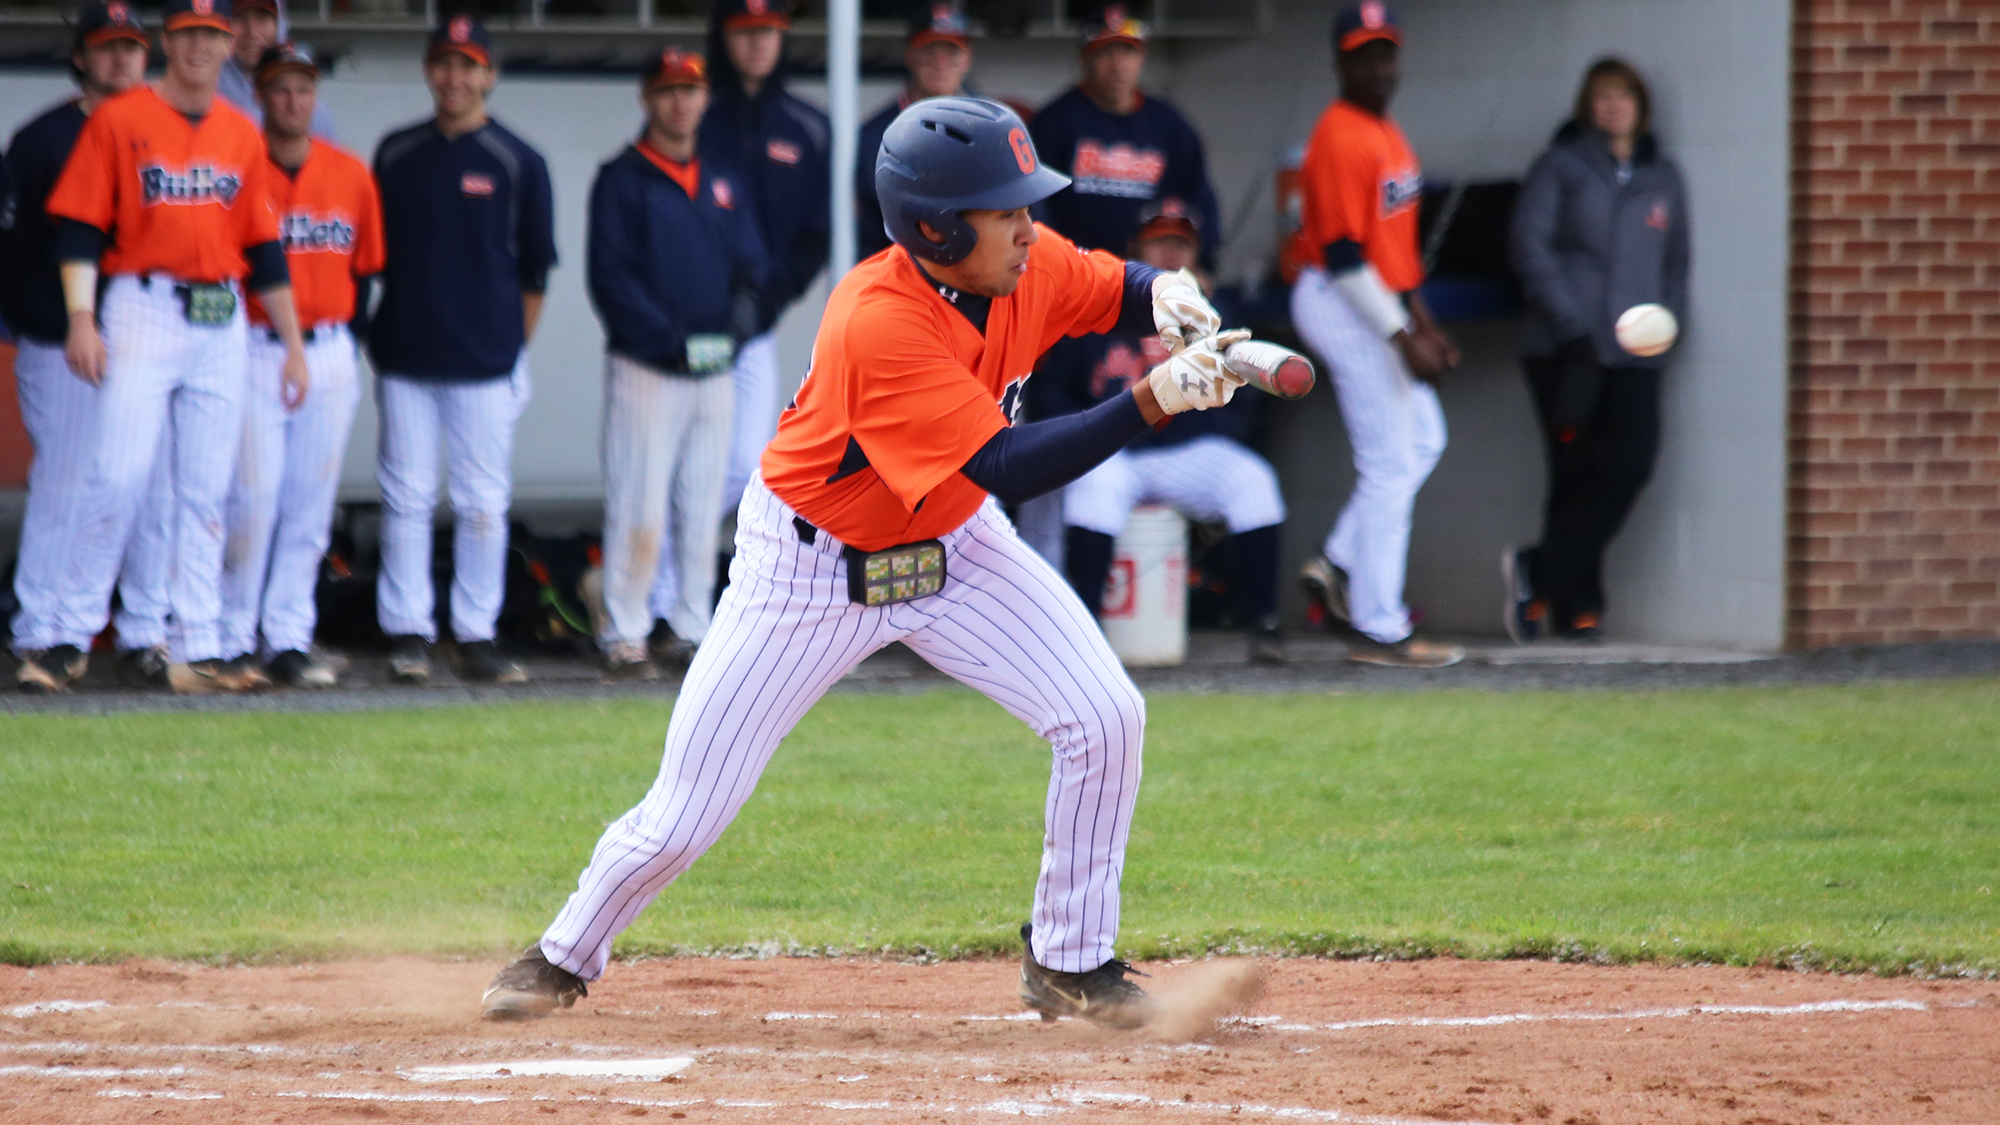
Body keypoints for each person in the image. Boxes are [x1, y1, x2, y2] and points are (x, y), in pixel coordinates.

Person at [478, 96, 1245, 1027]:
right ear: (934, 226)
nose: (1026, 225)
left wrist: (1159, 290)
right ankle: (560, 955)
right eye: (1004, 210)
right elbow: (1008, 462)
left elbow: (1107, 283)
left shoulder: (1024, 261)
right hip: (808, 572)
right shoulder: (877, 321)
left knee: (1105, 715)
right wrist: (1152, 399)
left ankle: (1070, 962)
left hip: (953, 543)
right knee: (688, 810)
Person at [45, 0, 313, 694]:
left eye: (213, 36)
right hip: (142, 305)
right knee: (117, 473)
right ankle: (66, 636)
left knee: (205, 488)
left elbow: (261, 244)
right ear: (168, 40)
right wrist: (82, 317)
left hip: (220, 315)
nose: (201, 47)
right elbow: (79, 229)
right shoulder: (119, 117)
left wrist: (291, 344)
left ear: (229, 48)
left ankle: (197, 643)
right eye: (190, 33)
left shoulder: (240, 131)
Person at [369, 16, 556, 686]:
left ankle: (475, 632)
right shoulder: (395, 153)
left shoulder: (518, 160)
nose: (455, 77)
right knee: (406, 497)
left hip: (485, 362)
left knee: (481, 502)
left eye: (469, 65)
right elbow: (372, 259)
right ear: (429, 71)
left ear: (490, 76)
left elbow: (536, 272)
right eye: (444, 63)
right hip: (405, 355)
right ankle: (408, 632)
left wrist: (510, 345)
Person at [2, 0, 178, 693]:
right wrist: (43, 322)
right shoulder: (44, 138)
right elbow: (11, 255)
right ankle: (40, 631)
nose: (120, 59)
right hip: (62, 337)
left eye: (131, 47)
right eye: (106, 47)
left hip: (151, 336)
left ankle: (144, 632)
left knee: (154, 487)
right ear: (81, 56)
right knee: (67, 483)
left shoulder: (168, 131)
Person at [586, 48, 771, 681]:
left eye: (689, 91)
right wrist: (671, 342)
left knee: (700, 506)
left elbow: (752, 271)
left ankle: (690, 625)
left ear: (704, 98)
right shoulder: (621, 176)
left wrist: (736, 332)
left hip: (715, 369)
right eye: (667, 90)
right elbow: (610, 279)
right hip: (648, 367)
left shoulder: (723, 177)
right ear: (646, 98)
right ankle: (626, 629)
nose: (679, 102)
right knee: (639, 502)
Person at [1036, 201, 1288, 665]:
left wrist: (1215, 427)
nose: (1171, 254)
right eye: (1160, 242)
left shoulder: (1213, 312)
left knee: (1253, 481)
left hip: (1181, 449)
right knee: (1095, 488)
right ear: (1134, 247)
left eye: (1181, 244)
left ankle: (1264, 625)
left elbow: (1244, 393)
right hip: (1111, 450)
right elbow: (1051, 388)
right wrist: (1077, 437)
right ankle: (1084, 634)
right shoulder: (1096, 300)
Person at [1290, 2, 1463, 668]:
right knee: (1390, 460)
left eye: (1386, 51)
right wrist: (1402, 338)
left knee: (1424, 436)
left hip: (1375, 296)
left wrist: (1423, 324)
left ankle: (1336, 560)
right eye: (1365, 53)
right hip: (1341, 298)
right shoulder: (1338, 134)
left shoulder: (1386, 131)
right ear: (1341, 61)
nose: (1379, 65)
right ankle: (1378, 625)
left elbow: (1394, 250)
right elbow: (1342, 258)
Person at [217, 42, 383, 687]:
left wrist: (343, 344)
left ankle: (287, 636)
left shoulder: (350, 172)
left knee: (309, 506)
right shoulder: (239, 167)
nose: (293, 100)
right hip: (256, 349)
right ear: (259, 94)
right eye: (281, 88)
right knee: (252, 500)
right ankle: (231, 635)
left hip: (331, 345)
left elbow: (366, 271)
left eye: (304, 88)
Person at [1505, 59, 1688, 643]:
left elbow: (1677, 265)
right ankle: (1579, 606)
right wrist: (1570, 324)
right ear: (1588, 105)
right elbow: (1530, 247)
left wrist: (1670, 322)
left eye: (1624, 96)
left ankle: (1539, 571)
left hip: (1635, 355)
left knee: (1631, 464)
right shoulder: (1560, 167)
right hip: (1568, 350)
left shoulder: (1664, 178)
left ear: (1641, 105)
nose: (1614, 106)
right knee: (1573, 473)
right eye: (1603, 96)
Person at [697, 0, 830, 546]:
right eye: (745, 32)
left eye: (768, 32)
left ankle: (698, 599)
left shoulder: (807, 126)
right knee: (683, 464)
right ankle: (660, 607)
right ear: (724, 38)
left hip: (756, 328)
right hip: (691, 324)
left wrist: (767, 303)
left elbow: (817, 234)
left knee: (744, 470)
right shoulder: (694, 112)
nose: (756, 43)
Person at [1027, 4, 1220, 271]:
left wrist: (1205, 265)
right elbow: (1035, 207)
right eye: (1106, 52)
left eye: (1128, 52)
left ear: (1142, 57)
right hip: (1074, 274)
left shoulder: (1169, 124)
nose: (1118, 65)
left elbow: (1199, 200)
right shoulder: (1054, 122)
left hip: (1146, 280)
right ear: (1085, 58)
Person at [854, 1, 973, 261]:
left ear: (966, 60)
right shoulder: (875, 135)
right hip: (899, 279)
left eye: (950, 52)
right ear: (910, 56)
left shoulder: (992, 129)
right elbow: (863, 234)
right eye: (930, 51)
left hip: (975, 282)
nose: (940, 63)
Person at [214, 0, 335, 138]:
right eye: (240, 17)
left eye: (262, 18)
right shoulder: (207, 85)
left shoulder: (312, 106)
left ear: (280, 24)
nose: (252, 32)